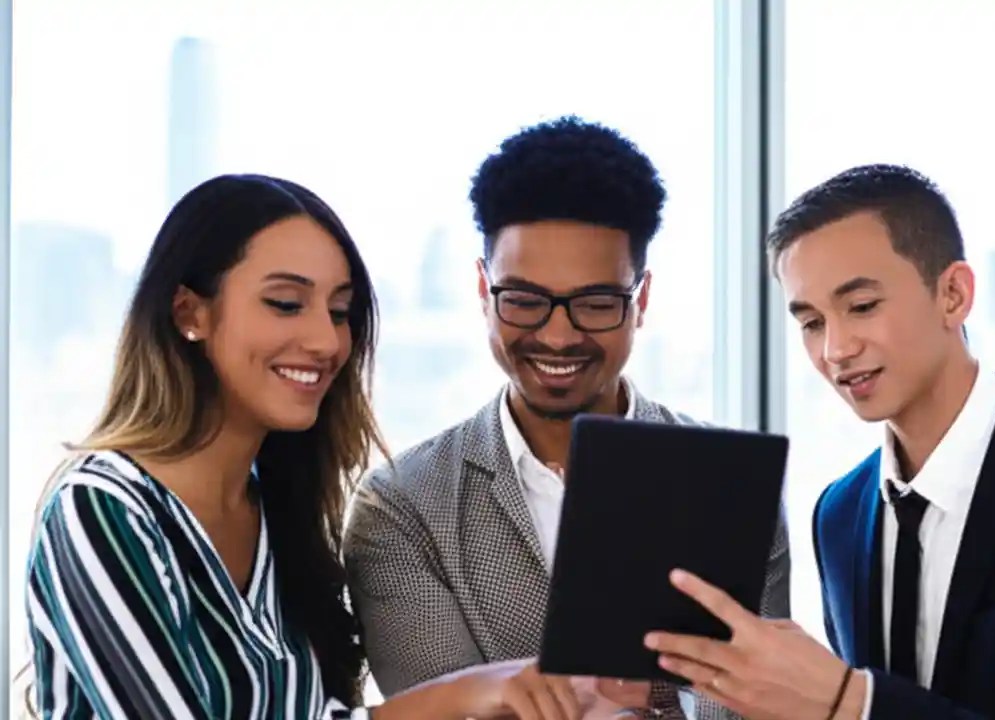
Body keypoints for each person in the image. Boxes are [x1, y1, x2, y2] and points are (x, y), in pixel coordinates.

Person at [23, 174, 584, 719]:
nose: (326, 341)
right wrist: (456, 695)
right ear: (189, 313)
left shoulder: (280, 511)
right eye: (286, 303)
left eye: (339, 312)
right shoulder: (101, 508)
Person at [644, 164, 995, 718]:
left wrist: (850, 701)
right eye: (811, 323)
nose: (835, 350)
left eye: (861, 307)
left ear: (953, 294)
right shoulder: (839, 513)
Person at [343, 116, 791, 719]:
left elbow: (758, 706)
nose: (557, 336)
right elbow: (447, 710)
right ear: (483, 290)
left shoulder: (731, 485)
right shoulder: (403, 504)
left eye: (596, 304)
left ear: (641, 300)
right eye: (524, 301)